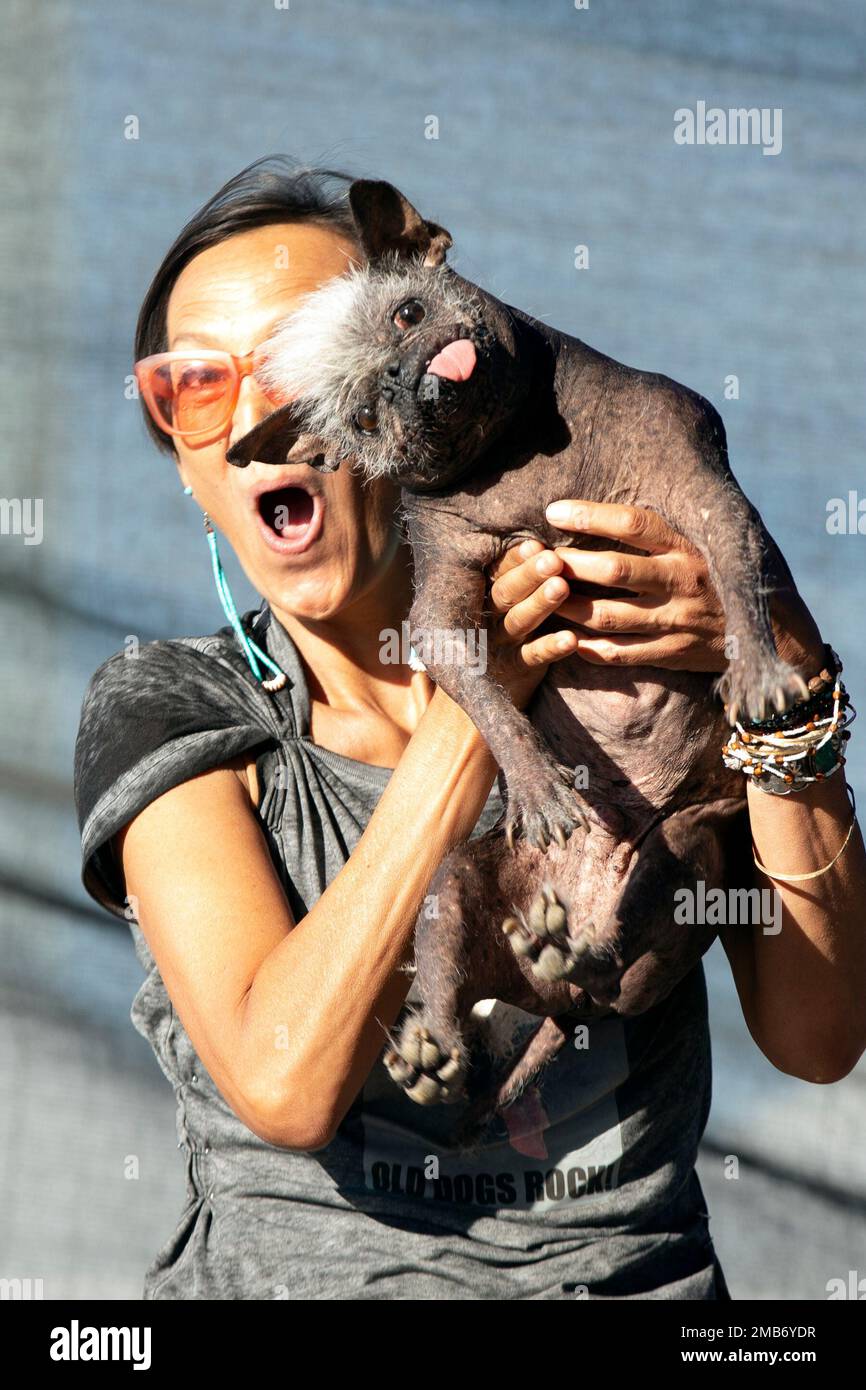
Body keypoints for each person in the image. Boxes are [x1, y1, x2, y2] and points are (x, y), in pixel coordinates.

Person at [74, 155, 866, 1301]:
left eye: (300, 346)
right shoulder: (176, 707)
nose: (264, 409)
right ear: (194, 465)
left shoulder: (619, 646)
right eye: (196, 384)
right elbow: (284, 1083)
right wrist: (471, 716)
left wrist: (778, 651)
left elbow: (818, 1035)